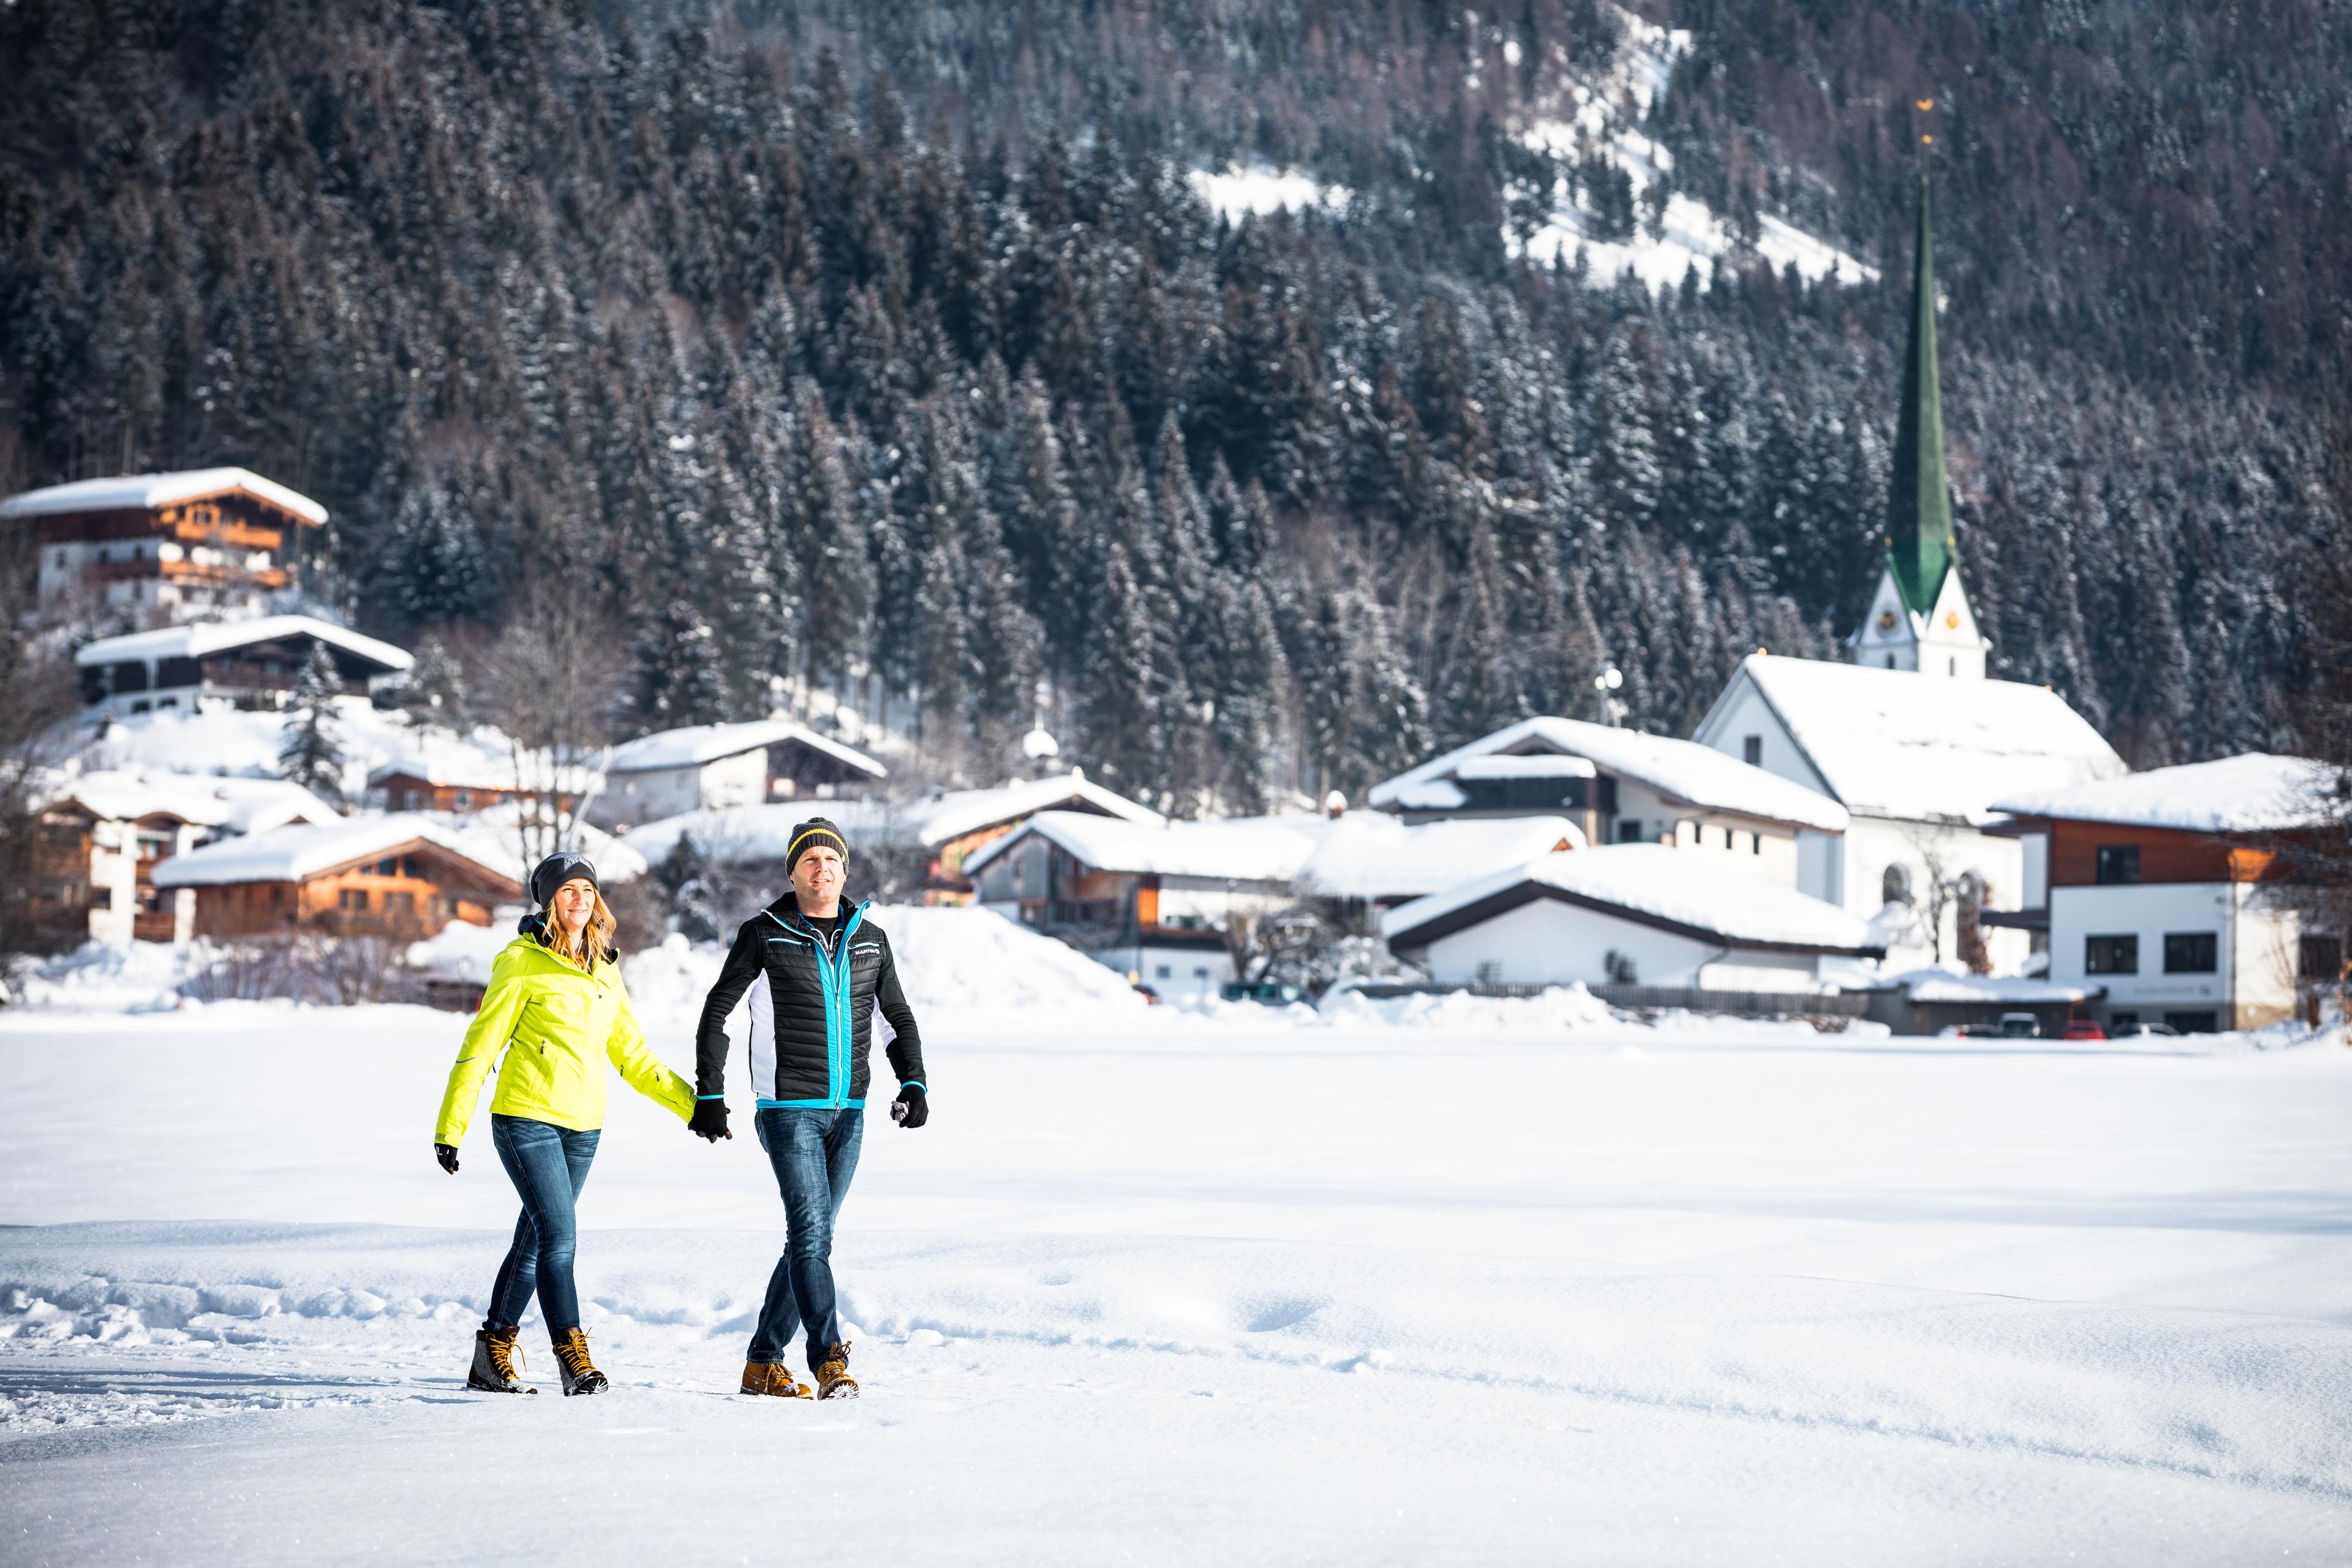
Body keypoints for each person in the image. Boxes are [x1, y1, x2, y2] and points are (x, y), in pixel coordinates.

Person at [433, 852, 698, 1396]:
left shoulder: (604, 968)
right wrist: (451, 1127)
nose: (579, 899)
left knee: (534, 1240)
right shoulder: (520, 961)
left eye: (586, 889)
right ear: (550, 901)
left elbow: (633, 1057)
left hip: (584, 1127)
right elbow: (479, 1049)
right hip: (526, 1118)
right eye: (567, 890)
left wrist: (696, 1107)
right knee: (559, 1236)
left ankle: (492, 1352)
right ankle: (573, 1358)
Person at [691, 816, 929, 1400]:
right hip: (788, 1107)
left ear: (846, 870)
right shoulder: (764, 932)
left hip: (850, 1109)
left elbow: (895, 1018)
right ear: (792, 871)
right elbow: (719, 1010)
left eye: (831, 860)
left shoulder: (871, 938)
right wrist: (710, 1091)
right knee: (812, 1236)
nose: (821, 869)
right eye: (810, 860)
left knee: (810, 1241)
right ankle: (829, 1361)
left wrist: (914, 1082)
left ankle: (762, 1364)